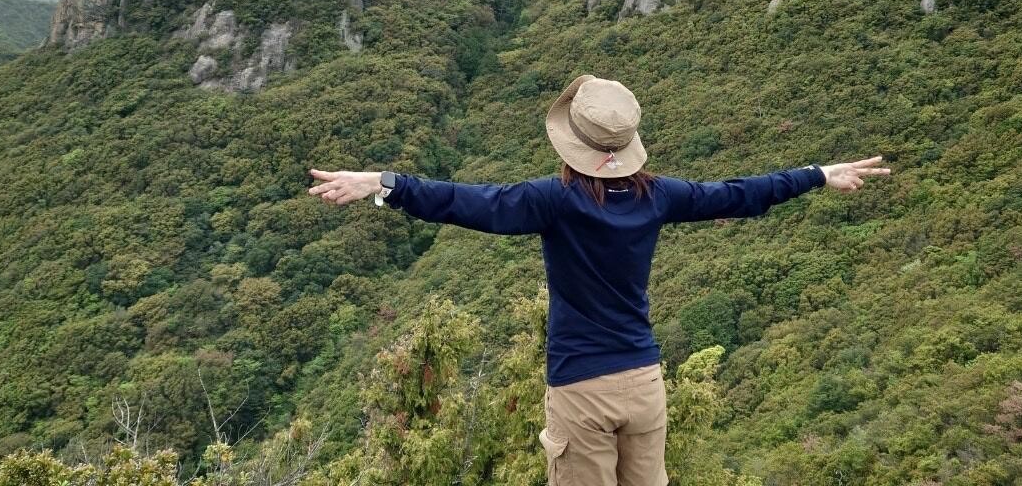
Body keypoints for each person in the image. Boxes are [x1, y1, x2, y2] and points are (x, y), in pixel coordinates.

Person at [307, 74, 890, 486]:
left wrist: (383, 182)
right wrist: (816, 174)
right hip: (644, 383)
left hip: (581, 389)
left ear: (572, 144)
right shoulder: (659, 195)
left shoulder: (552, 199)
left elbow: (466, 202)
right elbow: (738, 194)